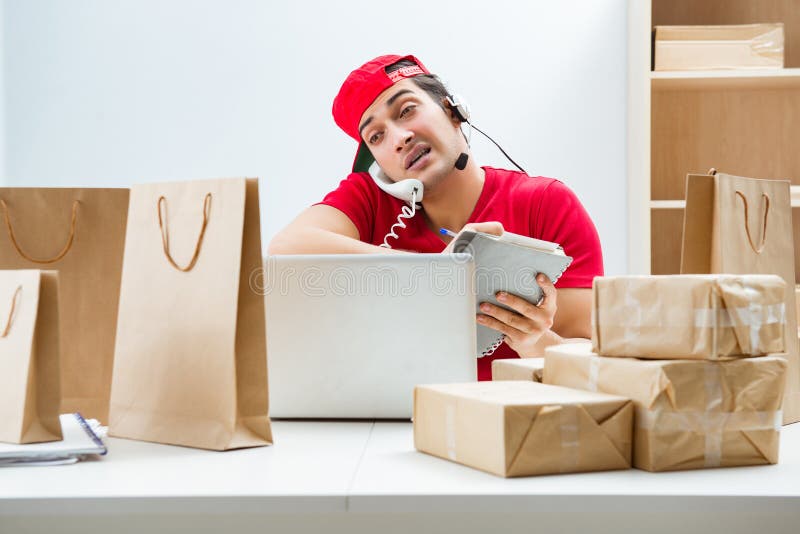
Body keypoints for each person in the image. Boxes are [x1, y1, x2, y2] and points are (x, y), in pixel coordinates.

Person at [268, 54, 603, 380]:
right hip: (397, 425)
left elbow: (588, 358)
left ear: (453, 109)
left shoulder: (546, 203)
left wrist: (537, 341)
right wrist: (436, 272)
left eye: (407, 110)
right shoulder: (370, 199)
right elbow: (287, 247)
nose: (399, 139)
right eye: (376, 136)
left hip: (510, 423)